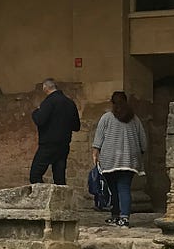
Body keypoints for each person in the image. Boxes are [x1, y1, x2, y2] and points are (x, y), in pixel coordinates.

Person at [91, 90, 147, 228]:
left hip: (110, 159)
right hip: (129, 159)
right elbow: (143, 141)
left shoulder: (106, 118)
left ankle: (117, 215)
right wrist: (141, 152)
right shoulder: (135, 119)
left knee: (113, 189)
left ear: (112, 103)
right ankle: (123, 217)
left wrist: (95, 153)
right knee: (124, 187)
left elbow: (98, 139)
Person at [30, 78, 81, 185]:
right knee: (59, 178)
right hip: (64, 145)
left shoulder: (48, 102)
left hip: (48, 144)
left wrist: (35, 112)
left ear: (45, 88)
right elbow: (76, 126)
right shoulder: (70, 103)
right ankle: (60, 200)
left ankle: (43, 199)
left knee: (35, 175)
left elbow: (40, 120)